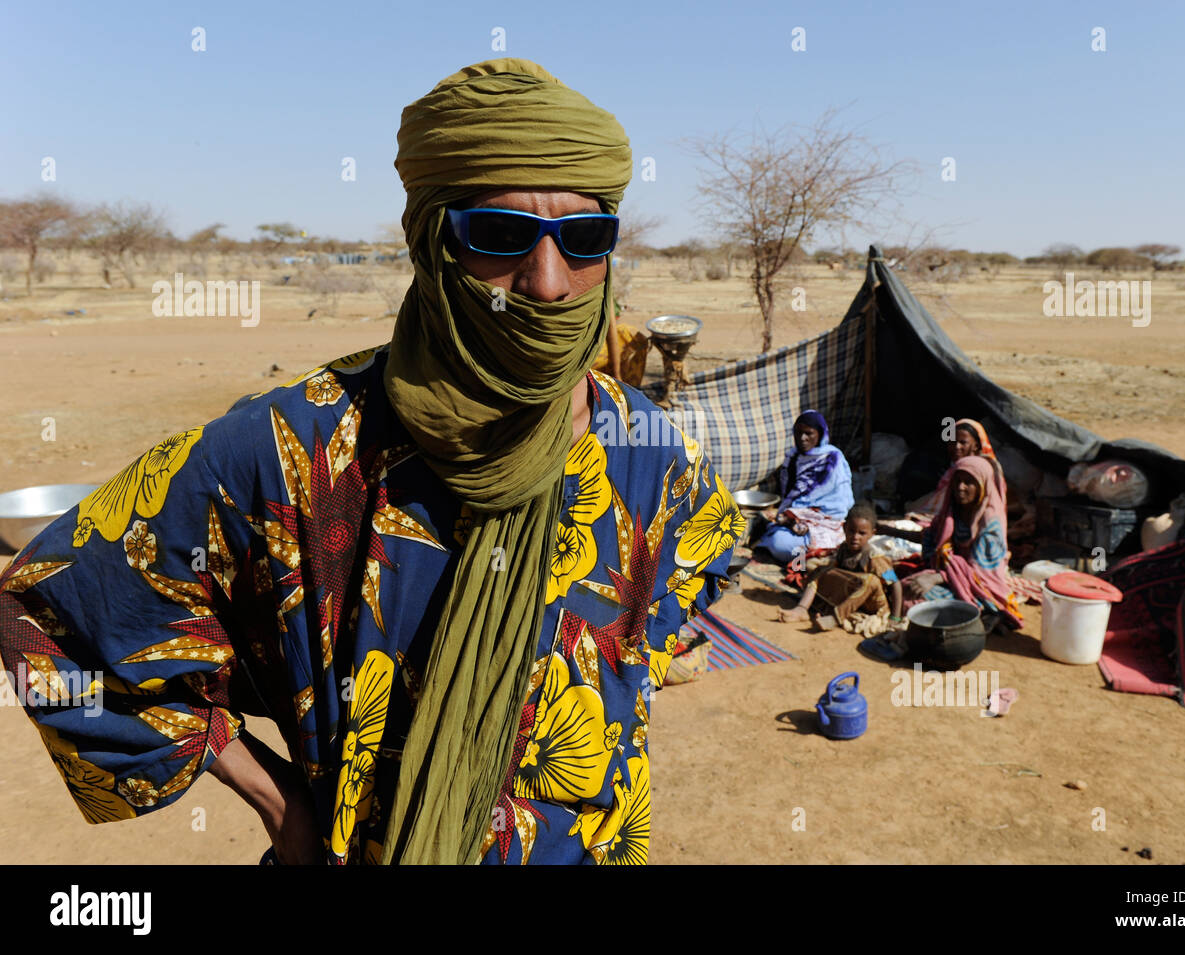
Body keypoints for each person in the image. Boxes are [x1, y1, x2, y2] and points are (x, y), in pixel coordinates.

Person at [0, 58, 744, 866]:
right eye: (500, 235)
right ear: (433, 239)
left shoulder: (655, 452)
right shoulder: (301, 444)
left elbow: (679, 590)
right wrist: (280, 806)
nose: (547, 282)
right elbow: (49, 616)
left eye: (586, 237)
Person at [902, 455, 1024, 629]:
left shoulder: (990, 525)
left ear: (983, 485)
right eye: (957, 481)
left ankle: (988, 614)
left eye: (969, 482)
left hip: (979, 585)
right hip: (953, 576)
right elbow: (931, 535)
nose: (960, 487)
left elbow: (980, 574)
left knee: (919, 600)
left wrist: (937, 577)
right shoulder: (952, 512)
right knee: (905, 587)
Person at [777, 505, 902, 630]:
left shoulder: (875, 558)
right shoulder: (844, 549)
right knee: (822, 570)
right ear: (844, 528)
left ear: (872, 534)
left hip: (873, 604)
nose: (855, 537)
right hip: (852, 597)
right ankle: (802, 609)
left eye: (862, 533)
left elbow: (895, 584)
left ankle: (836, 618)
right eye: (851, 531)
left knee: (871, 581)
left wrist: (895, 618)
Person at [756, 410, 853, 563]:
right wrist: (792, 517)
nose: (802, 438)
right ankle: (804, 559)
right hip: (794, 518)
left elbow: (838, 505)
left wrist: (802, 518)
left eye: (809, 433)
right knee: (770, 532)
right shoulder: (793, 457)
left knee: (780, 543)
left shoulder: (832, 459)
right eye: (798, 433)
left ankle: (803, 562)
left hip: (825, 522)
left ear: (820, 434)